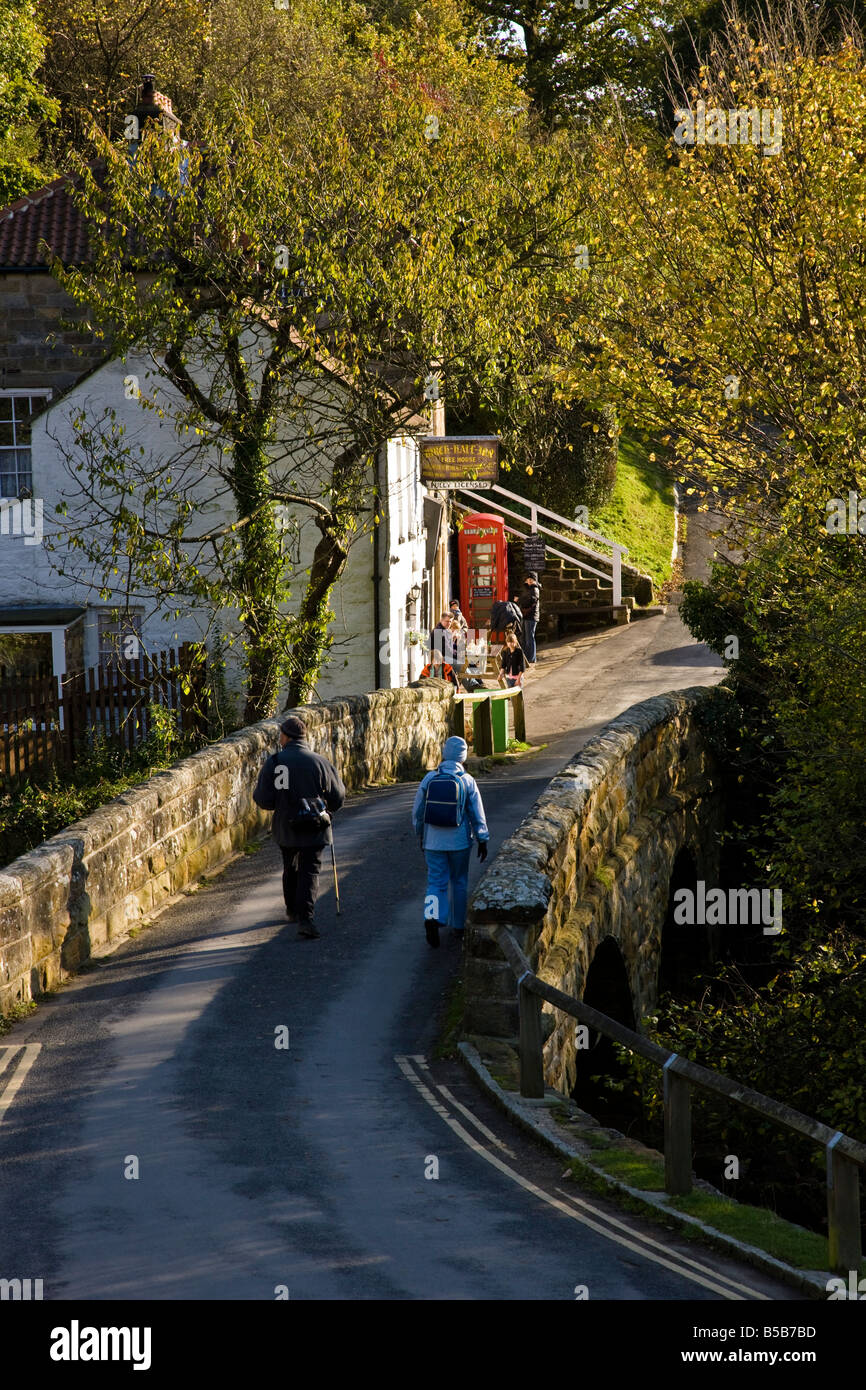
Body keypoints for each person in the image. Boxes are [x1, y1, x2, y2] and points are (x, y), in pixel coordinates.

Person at [252, 715, 346, 940]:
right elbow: (338, 795)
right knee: (310, 871)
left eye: (281, 735)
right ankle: (306, 918)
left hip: (287, 827)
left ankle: (292, 910)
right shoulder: (320, 762)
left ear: (286, 736)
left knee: (290, 866)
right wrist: (328, 812)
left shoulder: (275, 763)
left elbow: (263, 799)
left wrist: (280, 804)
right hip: (315, 826)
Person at [412, 735, 490, 948]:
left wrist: (420, 833)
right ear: (463, 757)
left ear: (445, 753)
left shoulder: (429, 779)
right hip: (459, 842)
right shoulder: (467, 781)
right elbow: (477, 814)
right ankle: (458, 926)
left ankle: (432, 918)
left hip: (433, 842)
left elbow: (418, 812)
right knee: (459, 881)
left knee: (435, 882)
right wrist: (482, 838)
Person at [519, 572, 541, 665]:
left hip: (531, 616)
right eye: (528, 579)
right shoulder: (529, 589)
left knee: (530, 638)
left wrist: (519, 600)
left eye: (531, 579)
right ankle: (528, 657)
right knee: (525, 638)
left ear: (534, 580)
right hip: (527, 616)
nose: (529, 581)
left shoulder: (534, 589)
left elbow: (530, 600)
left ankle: (531, 658)